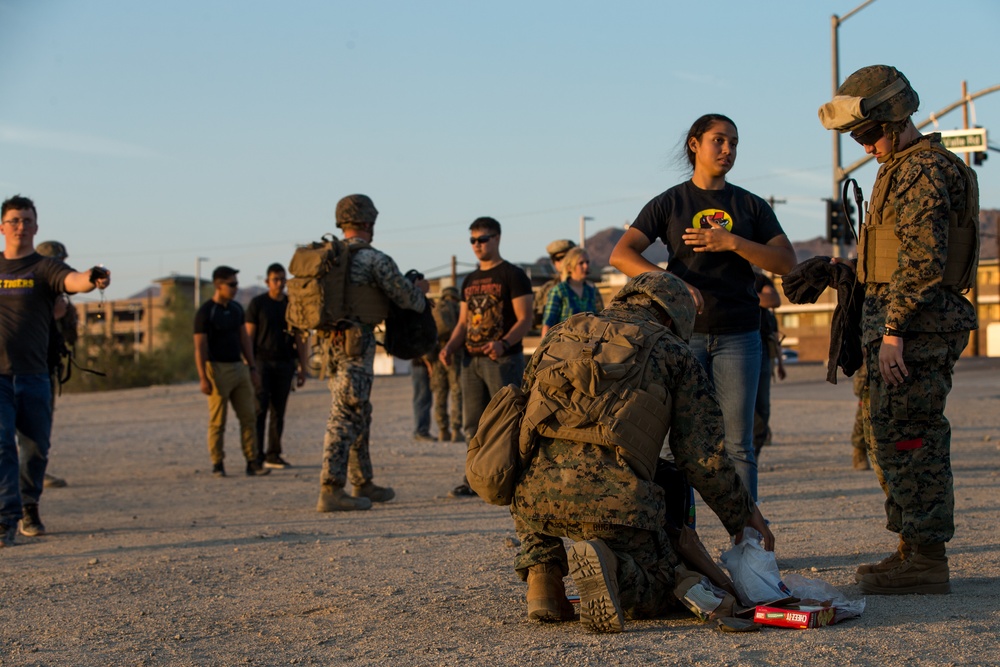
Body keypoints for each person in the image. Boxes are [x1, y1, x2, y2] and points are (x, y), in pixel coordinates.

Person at [510, 272, 773, 632]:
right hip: (617, 503)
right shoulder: (674, 352)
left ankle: (544, 577)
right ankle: (616, 567)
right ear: (671, 317)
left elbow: (520, 416)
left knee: (539, 480)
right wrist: (743, 515)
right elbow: (702, 460)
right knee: (666, 589)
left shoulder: (561, 333)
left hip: (533, 497)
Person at [819, 65, 979, 595]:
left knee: (913, 441)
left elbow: (923, 259)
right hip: (908, 327)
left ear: (895, 118)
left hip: (916, 331)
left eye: (868, 133)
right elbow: (894, 257)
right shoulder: (901, 167)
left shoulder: (922, 169)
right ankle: (913, 547)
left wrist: (894, 329)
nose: (865, 146)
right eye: (856, 137)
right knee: (893, 438)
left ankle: (927, 558)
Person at [610, 113, 796, 502]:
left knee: (737, 446)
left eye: (734, 143)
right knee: (674, 444)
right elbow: (621, 254)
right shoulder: (670, 202)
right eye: (719, 140)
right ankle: (679, 541)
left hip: (740, 334)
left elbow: (786, 261)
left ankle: (747, 543)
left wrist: (733, 243)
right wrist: (671, 283)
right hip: (683, 336)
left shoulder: (750, 205)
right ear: (695, 144)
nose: (728, 149)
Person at [1, 195, 111, 546]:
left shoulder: (45, 267)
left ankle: (29, 505)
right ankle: (6, 517)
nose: (21, 226)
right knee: (2, 443)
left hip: (34, 373)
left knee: (36, 449)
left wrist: (92, 278)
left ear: (36, 226)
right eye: (14, 220)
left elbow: (74, 280)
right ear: (2, 227)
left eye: (27, 220)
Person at [316, 194, 428, 512]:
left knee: (359, 411)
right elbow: (409, 300)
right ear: (368, 223)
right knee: (346, 414)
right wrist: (419, 292)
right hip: (355, 345)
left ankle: (362, 482)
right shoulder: (372, 258)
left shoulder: (330, 258)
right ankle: (331, 488)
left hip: (331, 346)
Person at [440, 217, 533, 498]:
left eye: (483, 239)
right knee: (473, 422)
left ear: (497, 238)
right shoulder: (468, 280)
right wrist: (450, 347)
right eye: (473, 240)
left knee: (509, 420)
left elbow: (525, 319)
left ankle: (517, 478)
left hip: (502, 360)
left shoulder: (513, 275)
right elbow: (463, 323)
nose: (477, 245)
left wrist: (504, 343)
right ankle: (475, 479)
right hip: (471, 361)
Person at [194, 265, 269, 478]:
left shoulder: (236, 309)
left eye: (237, 284)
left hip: (239, 368)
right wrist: (203, 377)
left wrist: (252, 367)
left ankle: (252, 461)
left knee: (249, 417)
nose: (236, 288)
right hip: (216, 369)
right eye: (232, 284)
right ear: (219, 285)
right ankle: (218, 463)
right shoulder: (206, 312)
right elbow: (199, 346)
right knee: (218, 421)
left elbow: (244, 339)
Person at [245, 263, 308, 469]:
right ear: (267, 281)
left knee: (278, 411)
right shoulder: (258, 304)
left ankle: (273, 453)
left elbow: (300, 337)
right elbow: (249, 336)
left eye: (282, 279)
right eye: (275, 279)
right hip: (262, 363)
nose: (280, 283)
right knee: (260, 410)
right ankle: (256, 454)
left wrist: (303, 367)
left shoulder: (290, 305)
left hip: (285, 363)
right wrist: (250, 365)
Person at [33, 240, 77, 489]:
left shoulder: (59, 296)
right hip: (23, 368)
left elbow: (68, 339)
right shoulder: (30, 291)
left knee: (41, 424)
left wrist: (67, 319)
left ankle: (37, 472)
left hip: (46, 368)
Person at [752, 272, 786, 458]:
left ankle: (754, 451)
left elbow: (772, 299)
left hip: (761, 344)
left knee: (762, 404)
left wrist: (742, 295)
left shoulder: (758, 278)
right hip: (730, 340)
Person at [540, 247, 604, 337]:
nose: (586, 266)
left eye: (587, 262)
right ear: (570, 267)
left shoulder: (590, 291)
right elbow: (548, 322)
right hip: (564, 345)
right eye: (581, 263)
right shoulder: (559, 291)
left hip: (587, 345)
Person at [429, 286, 463, 443]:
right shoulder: (457, 308)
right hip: (455, 354)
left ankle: (443, 430)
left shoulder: (436, 308)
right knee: (456, 392)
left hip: (437, 356)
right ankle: (456, 430)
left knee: (440, 394)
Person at [533, 239, 576, 329]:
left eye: (566, 257)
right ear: (553, 262)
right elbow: (534, 320)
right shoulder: (546, 290)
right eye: (559, 258)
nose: (563, 262)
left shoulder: (588, 289)